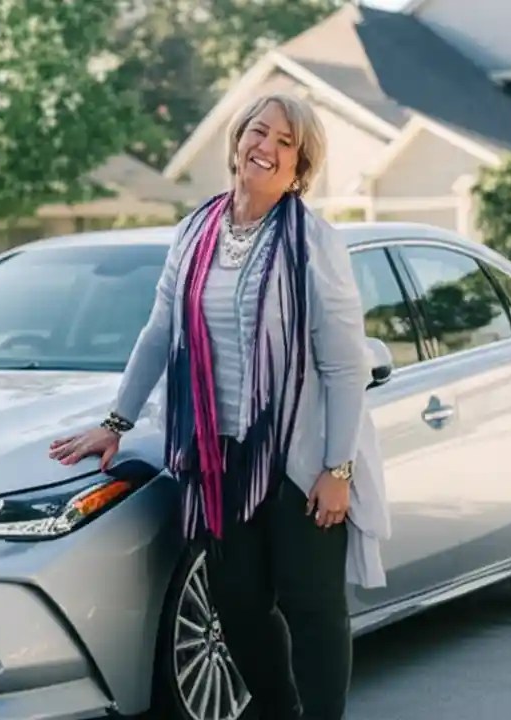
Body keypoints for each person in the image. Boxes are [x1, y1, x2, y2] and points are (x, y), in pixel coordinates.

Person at [48, 92, 390, 720]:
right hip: (217, 457)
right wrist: (115, 421)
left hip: (300, 460)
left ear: (300, 167)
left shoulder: (314, 243)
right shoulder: (195, 231)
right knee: (236, 603)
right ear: (237, 141)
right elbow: (159, 332)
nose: (269, 147)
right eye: (260, 132)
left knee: (312, 608)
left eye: (287, 143)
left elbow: (346, 366)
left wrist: (337, 470)